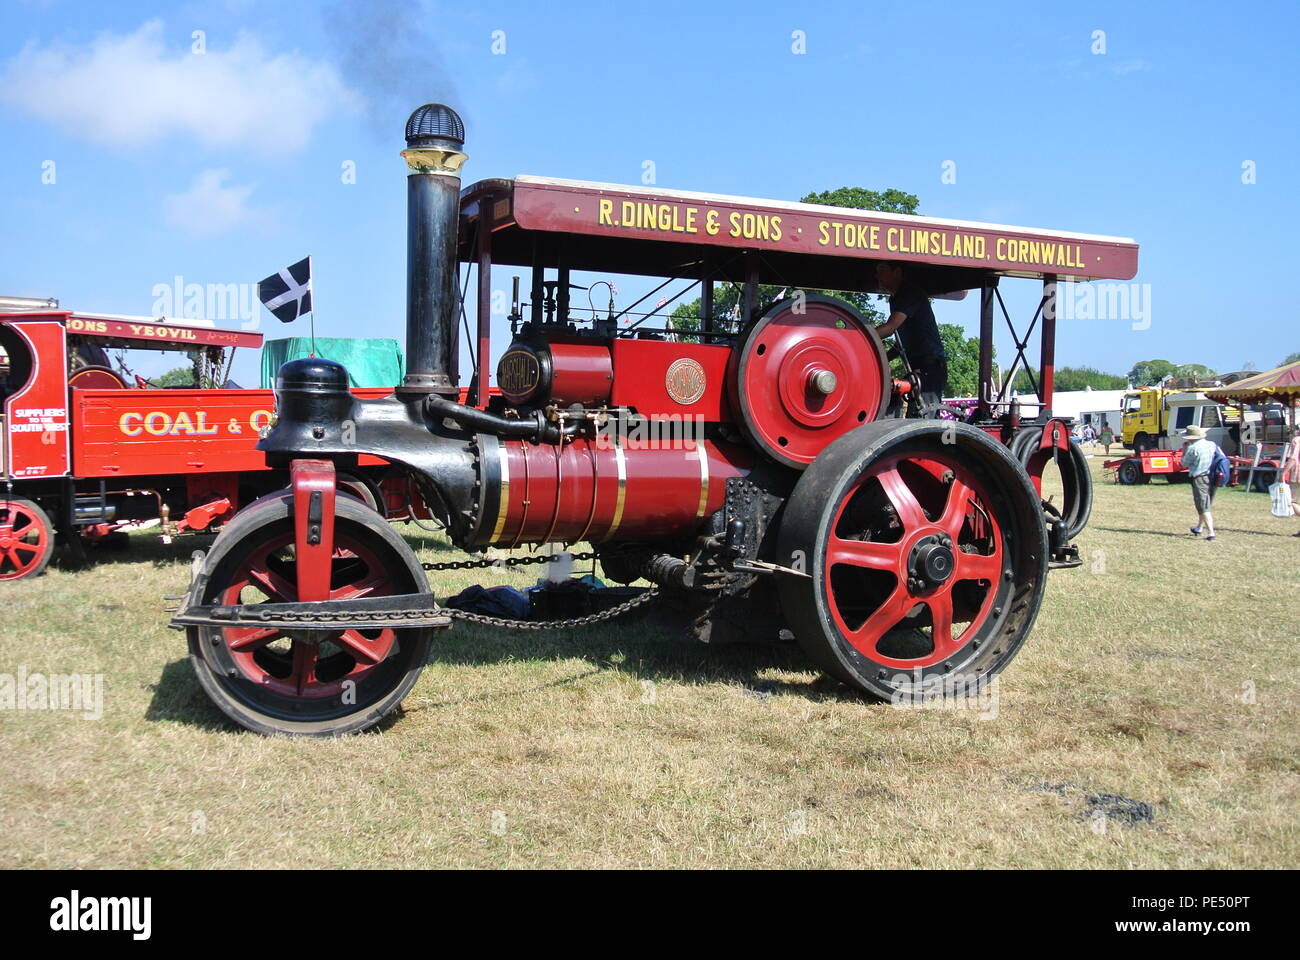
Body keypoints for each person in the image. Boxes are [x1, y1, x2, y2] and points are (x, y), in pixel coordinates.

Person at [874, 261, 948, 406]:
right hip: (918, 366)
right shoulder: (896, 298)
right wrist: (880, 358)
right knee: (916, 414)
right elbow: (902, 342)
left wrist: (859, 337)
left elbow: (889, 328)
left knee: (926, 416)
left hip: (929, 367)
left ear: (897, 272)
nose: (877, 275)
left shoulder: (910, 293)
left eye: (882, 270)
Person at [1180, 425, 1220, 540]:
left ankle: (1211, 533)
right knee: (1205, 503)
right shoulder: (1211, 444)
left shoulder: (1193, 449)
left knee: (1203, 506)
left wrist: (1184, 451)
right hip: (1210, 476)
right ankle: (1199, 527)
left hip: (1198, 477)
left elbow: (1183, 464)